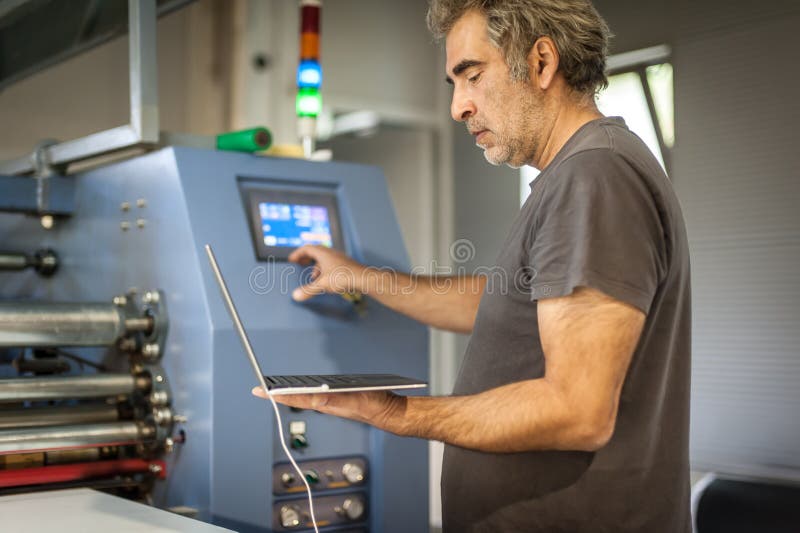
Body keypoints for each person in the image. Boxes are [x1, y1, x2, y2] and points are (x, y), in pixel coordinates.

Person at [253, 1, 692, 531]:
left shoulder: (594, 176)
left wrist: (393, 413)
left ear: (542, 63)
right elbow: (503, 306)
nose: (458, 108)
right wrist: (364, 277)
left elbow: (578, 411)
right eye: (453, 85)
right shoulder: (577, 174)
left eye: (472, 76)